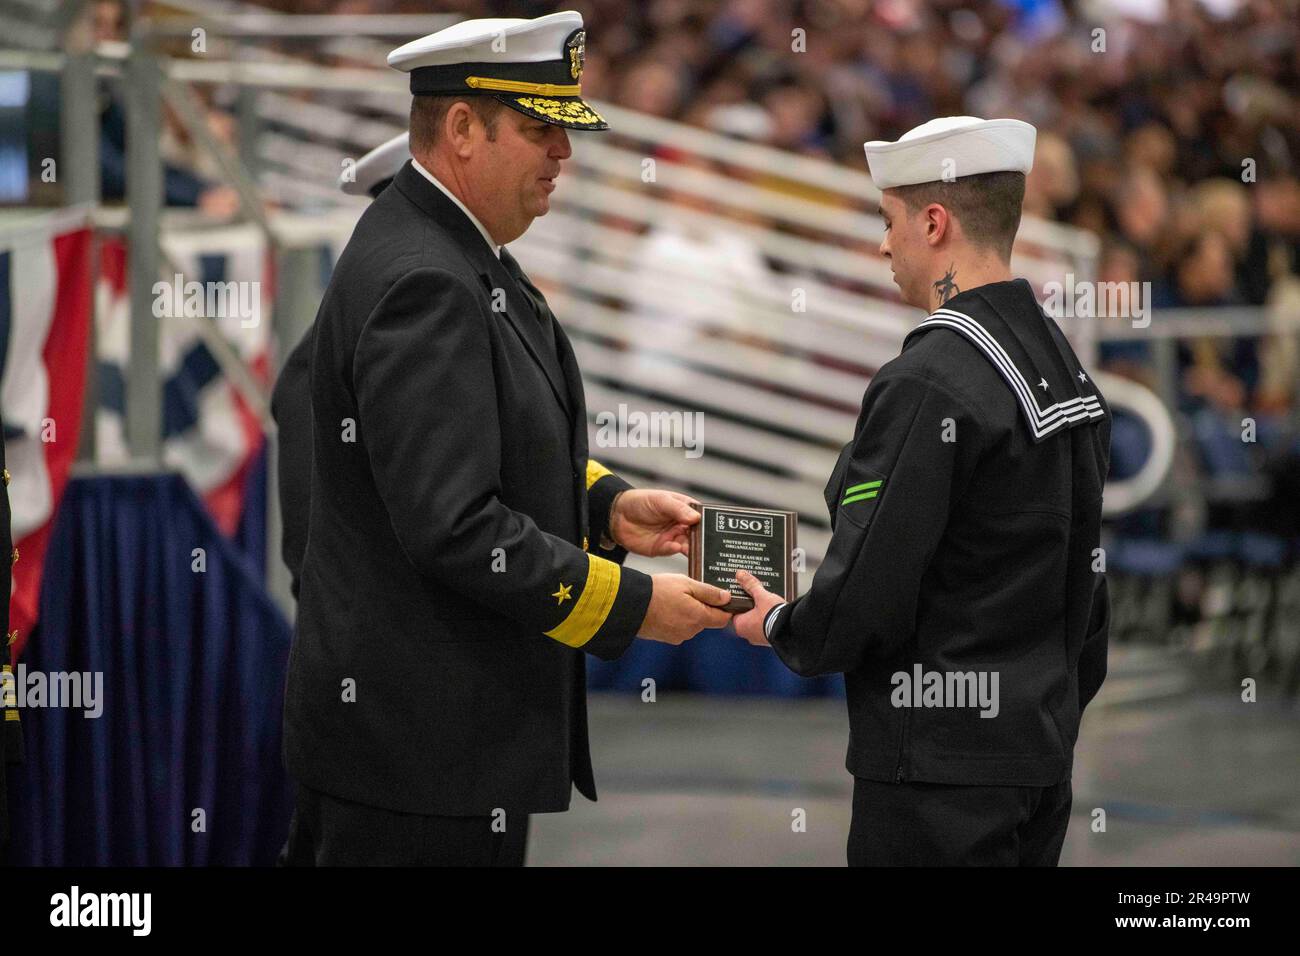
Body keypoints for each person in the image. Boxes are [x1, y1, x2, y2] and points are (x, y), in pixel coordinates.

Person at [281, 11, 731, 867]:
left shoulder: (457, 248)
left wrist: (606, 507)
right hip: (416, 752)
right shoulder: (428, 275)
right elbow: (454, 526)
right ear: (460, 129)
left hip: (432, 741)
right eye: (539, 129)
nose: (562, 152)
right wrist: (630, 605)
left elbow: (491, 438)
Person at [733, 117, 1112, 866]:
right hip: (1034, 753)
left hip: (937, 769)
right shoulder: (1061, 363)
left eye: (890, 221)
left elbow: (867, 584)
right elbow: (1089, 590)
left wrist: (782, 623)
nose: (883, 245)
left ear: (934, 223)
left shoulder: (930, 378)